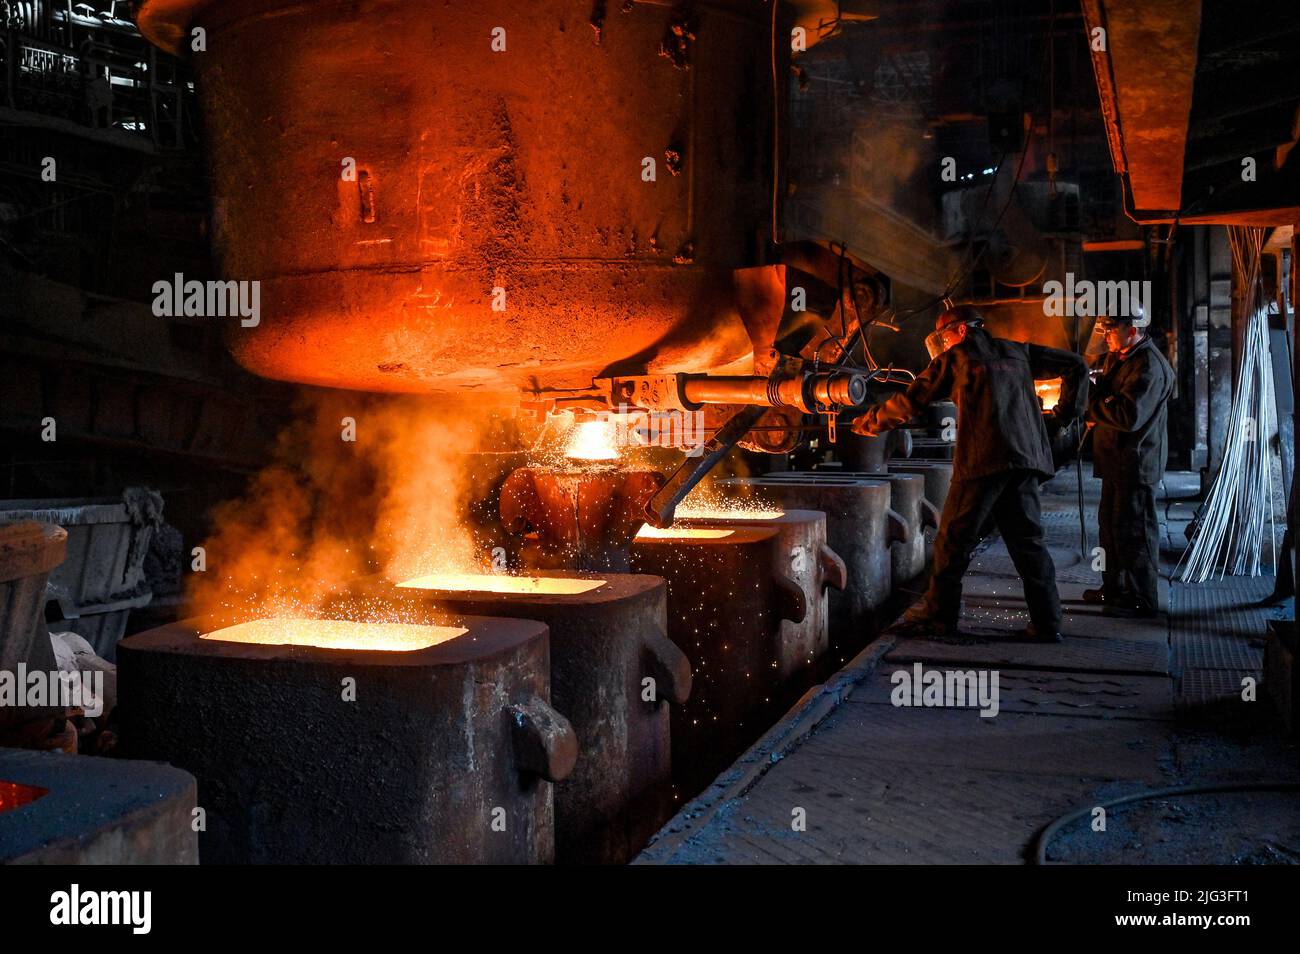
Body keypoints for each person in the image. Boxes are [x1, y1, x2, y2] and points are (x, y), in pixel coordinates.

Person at [852, 305, 1088, 641]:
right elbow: (1077, 364)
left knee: (952, 543)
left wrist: (868, 422)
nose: (944, 344)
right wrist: (1065, 415)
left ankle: (940, 618)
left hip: (982, 462)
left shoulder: (957, 358)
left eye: (945, 337)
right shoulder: (1018, 351)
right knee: (1029, 545)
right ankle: (1048, 625)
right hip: (1024, 461)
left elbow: (911, 400)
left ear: (961, 331)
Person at [1082, 315, 1174, 616]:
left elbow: (1128, 414)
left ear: (1132, 330)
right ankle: (1115, 590)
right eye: (1104, 330)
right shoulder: (1120, 357)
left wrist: (1090, 408)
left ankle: (1143, 599)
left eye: (1111, 330)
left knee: (1135, 532)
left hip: (1136, 463)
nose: (1106, 336)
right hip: (1115, 461)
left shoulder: (1148, 365)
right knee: (1110, 529)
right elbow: (1107, 395)